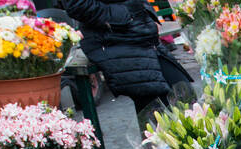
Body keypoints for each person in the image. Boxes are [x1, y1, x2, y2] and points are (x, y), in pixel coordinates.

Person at [54, 0, 191, 121]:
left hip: (139, 33)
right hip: (111, 39)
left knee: (181, 95)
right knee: (156, 102)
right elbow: (77, 5)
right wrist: (126, 15)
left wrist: (146, 13)